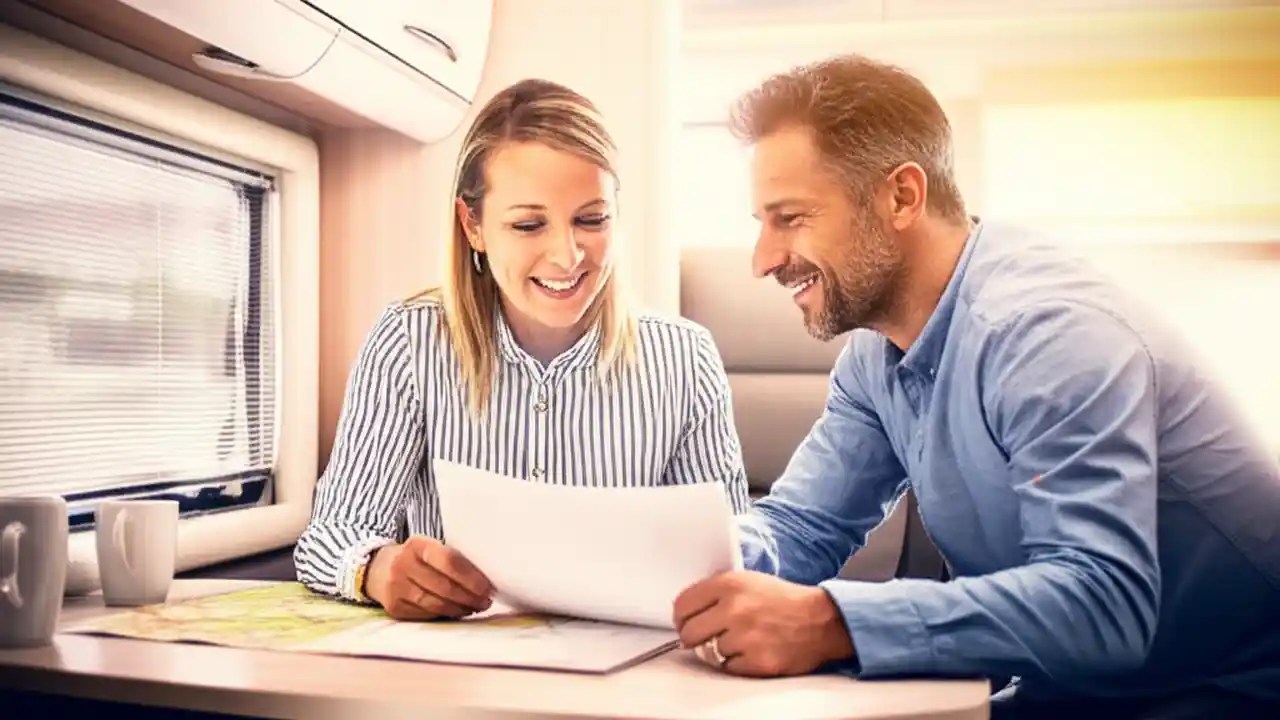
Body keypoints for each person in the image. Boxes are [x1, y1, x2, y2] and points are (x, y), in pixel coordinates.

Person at [673, 54, 1280, 717]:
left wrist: (830, 623)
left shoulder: (1047, 336)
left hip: (1224, 690)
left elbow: (1107, 606)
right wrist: (684, 578)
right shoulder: (875, 358)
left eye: (790, 218)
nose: (762, 259)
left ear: (902, 196)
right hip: (1071, 691)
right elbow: (803, 526)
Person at [295, 78, 749, 620]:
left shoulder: (686, 360)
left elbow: (734, 561)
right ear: (474, 226)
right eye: (529, 224)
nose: (567, 255)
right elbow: (331, 536)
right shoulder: (409, 342)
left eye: (592, 219)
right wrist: (374, 570)